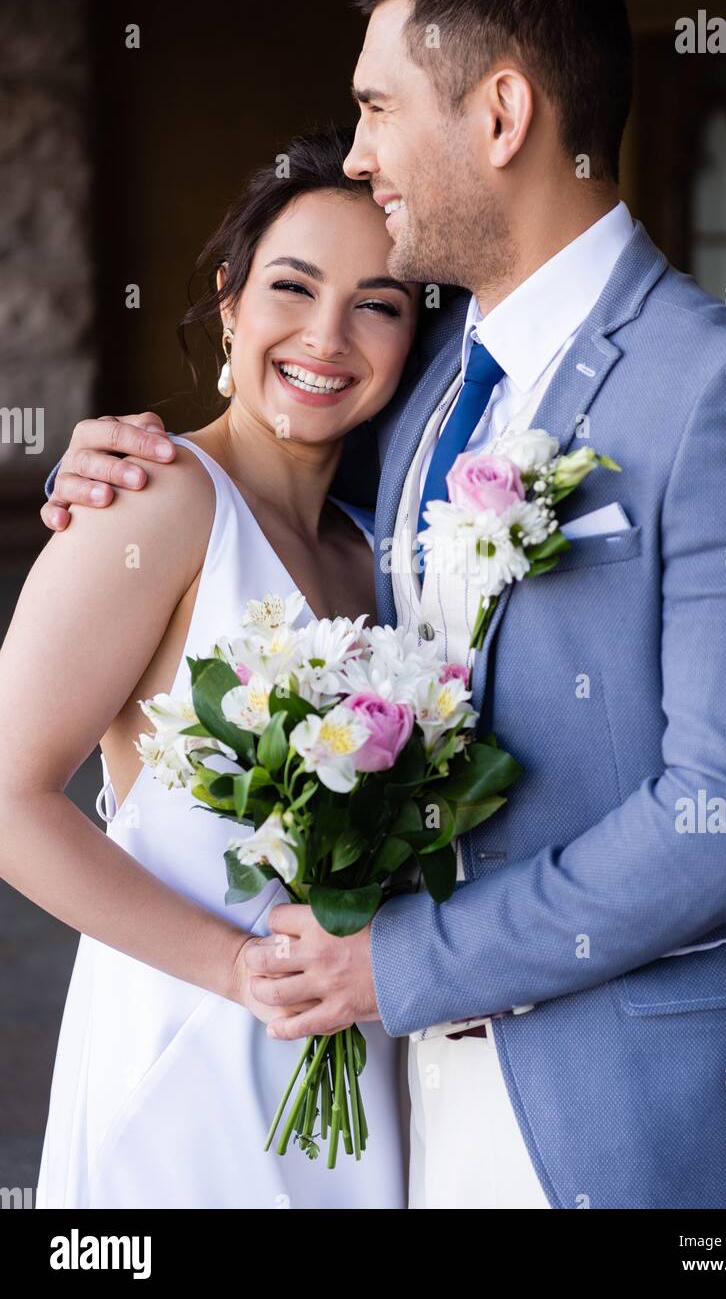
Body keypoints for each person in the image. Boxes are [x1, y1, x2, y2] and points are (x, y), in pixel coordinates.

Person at [38, 0, 726, 1209]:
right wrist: (105, 460)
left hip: (619, 1110)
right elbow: (267, 484)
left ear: (500, 112)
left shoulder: (725, 390)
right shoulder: (428, 393)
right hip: (396, 1105)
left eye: (376, 106)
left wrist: (396, 966)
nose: (361, 152)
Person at [1, 127, 421, 1208]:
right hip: (186, 1068)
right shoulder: (157, 496)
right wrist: (236, 970)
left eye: (377, 303)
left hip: (351, 1072)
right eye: (293, 286)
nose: (327, 337)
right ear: (229, 301)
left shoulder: (377, 555)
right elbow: (8, 798)